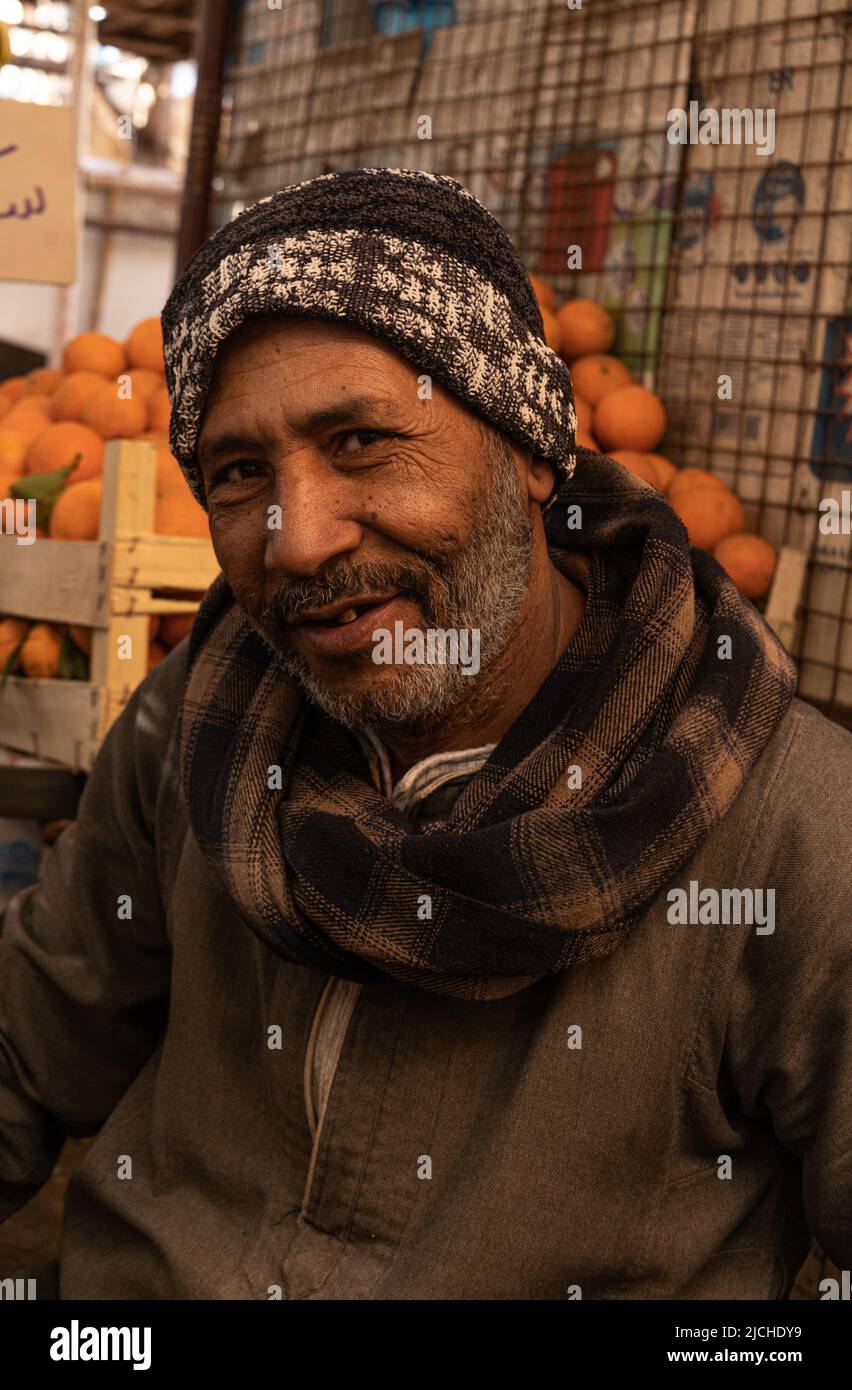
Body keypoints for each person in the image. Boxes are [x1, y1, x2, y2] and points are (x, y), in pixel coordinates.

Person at [0, 168, 850, 1300]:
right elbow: (25, 1045)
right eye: (241, 472)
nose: (297, 539)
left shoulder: (792, 828)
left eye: (359, 441)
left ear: (533, 446)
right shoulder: (198, 728)